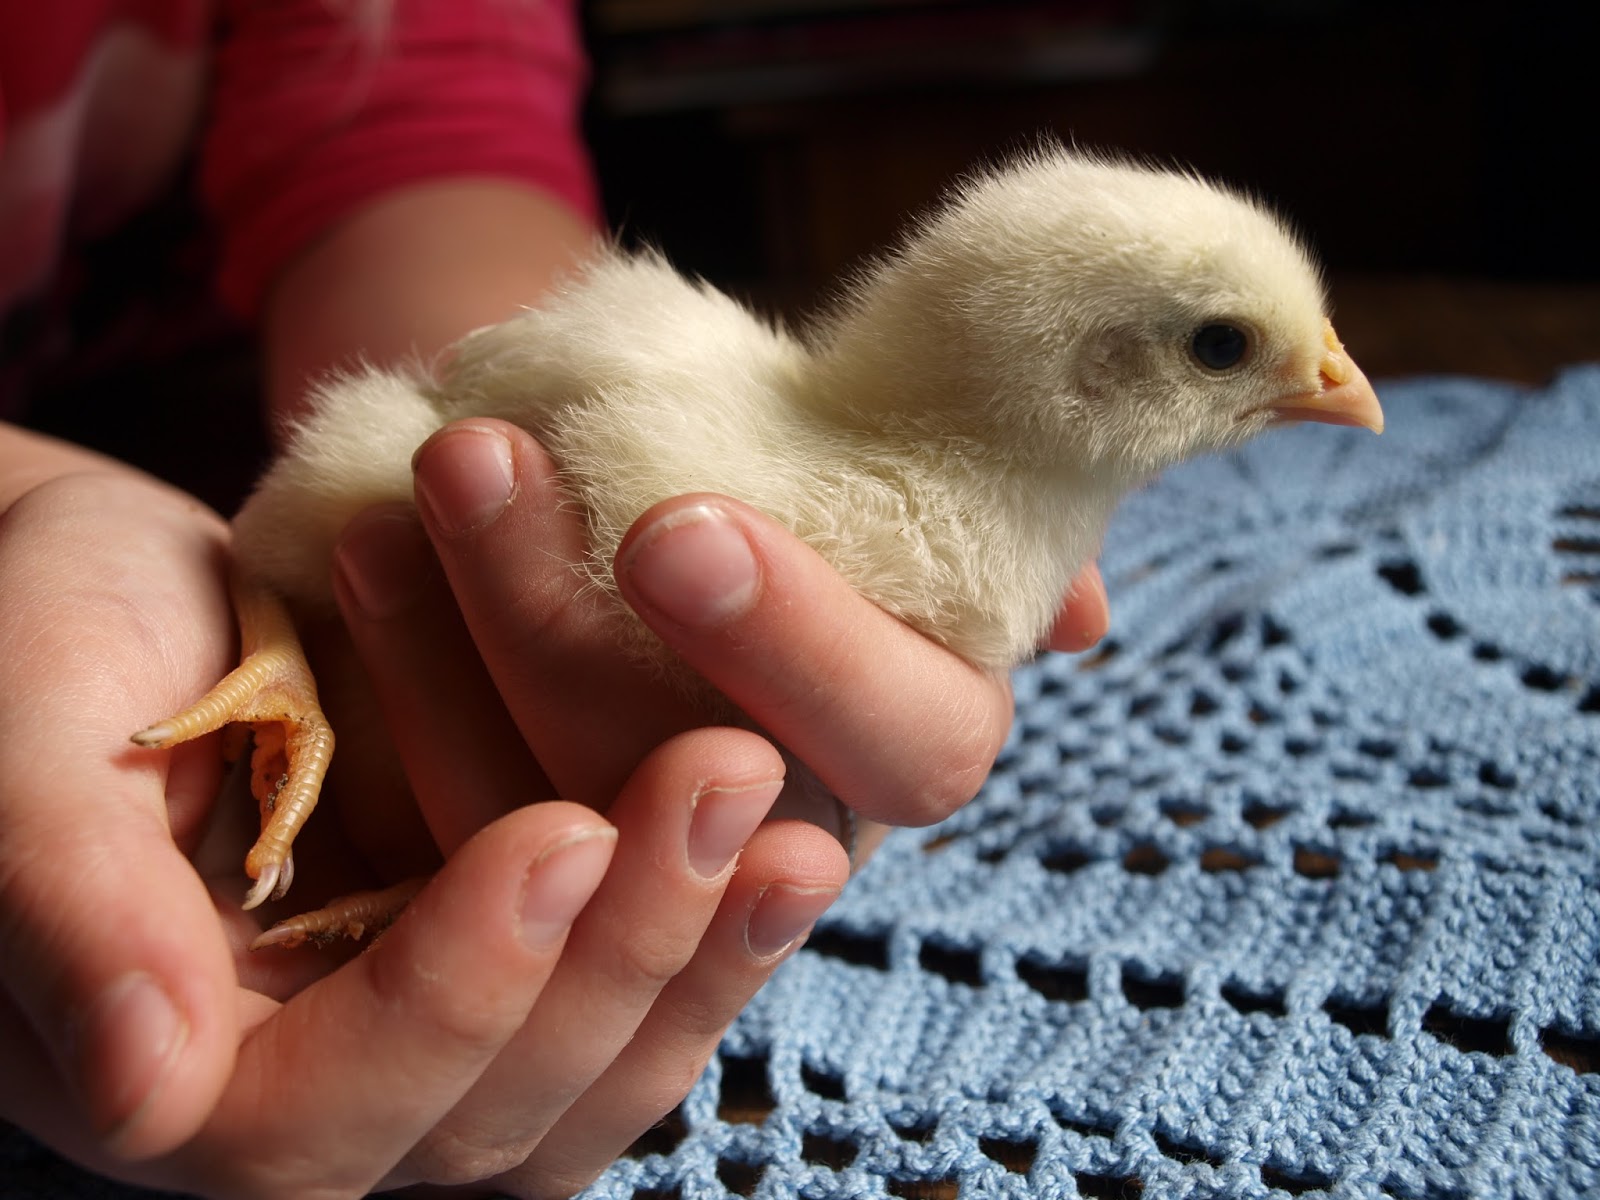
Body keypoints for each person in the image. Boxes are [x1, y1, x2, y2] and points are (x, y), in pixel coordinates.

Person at [0, 3, 1110, 1196]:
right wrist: (77, 529)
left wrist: (504, 499)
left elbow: (420, 139)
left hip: (290, 442)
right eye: (1220, 349)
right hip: (197, 491)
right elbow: (402, 437)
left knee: (607, 840)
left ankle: (432, 880)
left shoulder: (783, 419)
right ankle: (294, 680)